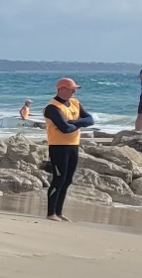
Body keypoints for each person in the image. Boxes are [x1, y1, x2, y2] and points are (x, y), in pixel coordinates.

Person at [26, 78, 94, 221]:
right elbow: (64, 128)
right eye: (71, 89)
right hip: (58, 146)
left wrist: (74, 122)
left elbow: (90, 120)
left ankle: (59, 212)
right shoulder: (52, 107)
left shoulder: (75, 102)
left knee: (68, 179)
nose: (74, 91)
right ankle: (51, 213)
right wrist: (76, 124)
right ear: (61, 89)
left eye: (75, 89)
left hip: (73, 145)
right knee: (59, 178)